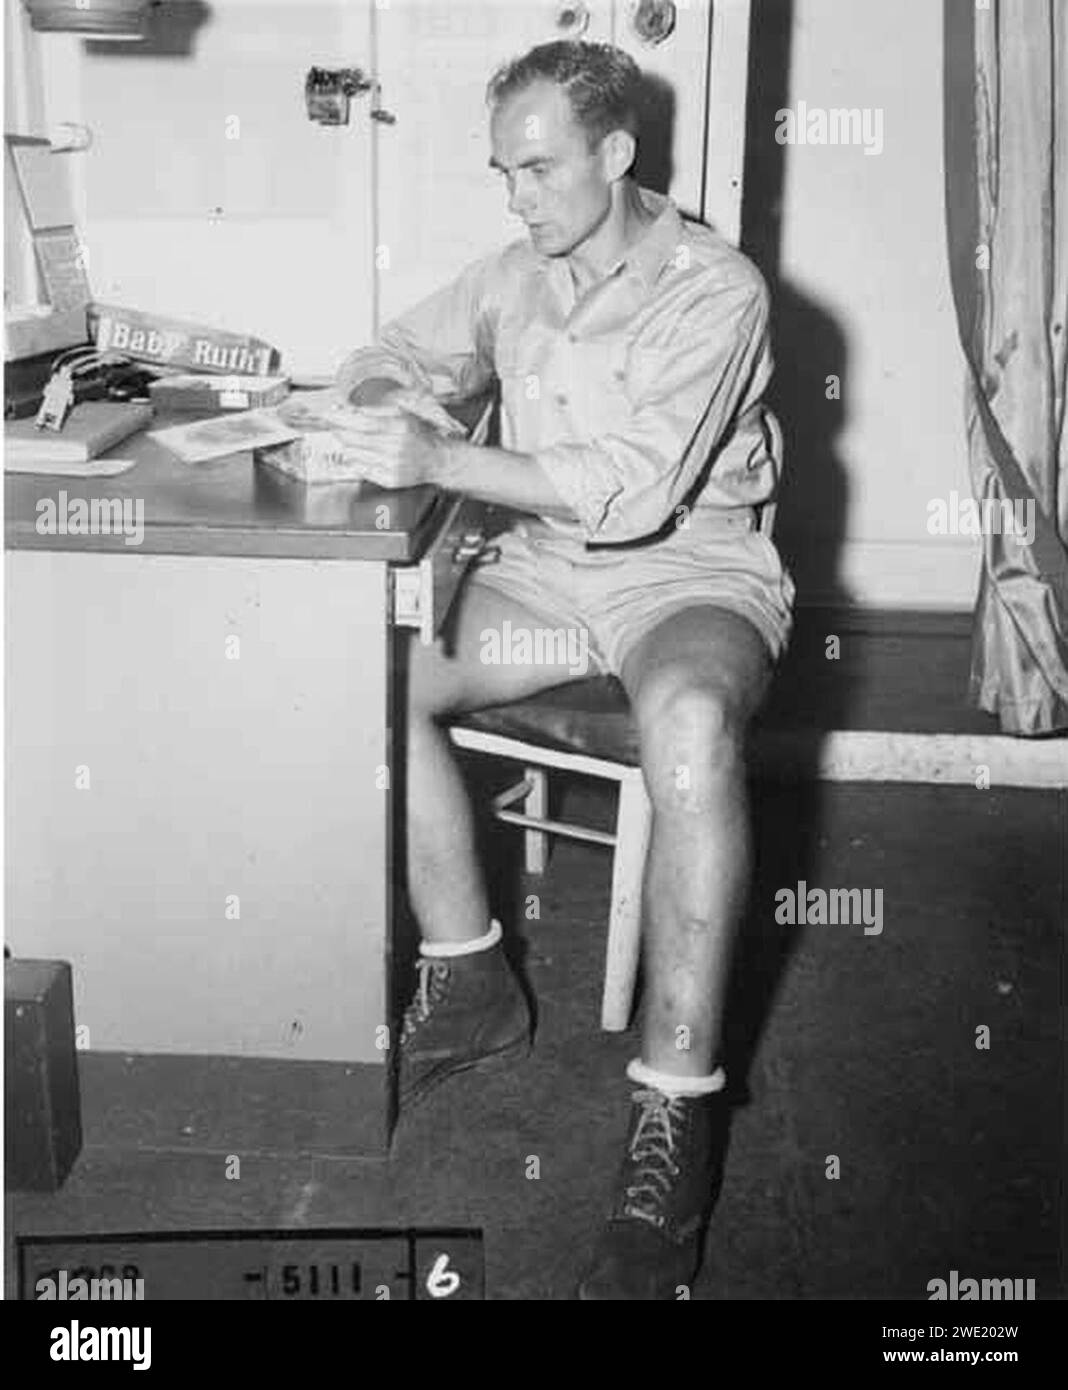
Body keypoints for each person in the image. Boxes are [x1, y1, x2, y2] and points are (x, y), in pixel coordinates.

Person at [330, 40, 795, 1300]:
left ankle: (675, 1114)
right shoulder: (512, 274)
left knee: (692, 729)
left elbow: (631, 490)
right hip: (545, 575)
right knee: (362, 682)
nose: (519, 197)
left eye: (539, 169)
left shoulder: (716, 286)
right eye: (504, 172)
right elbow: (394, 352)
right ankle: (472, 973)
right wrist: (386, 394)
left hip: (687, 574)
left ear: (617, 155)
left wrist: (439, 461)